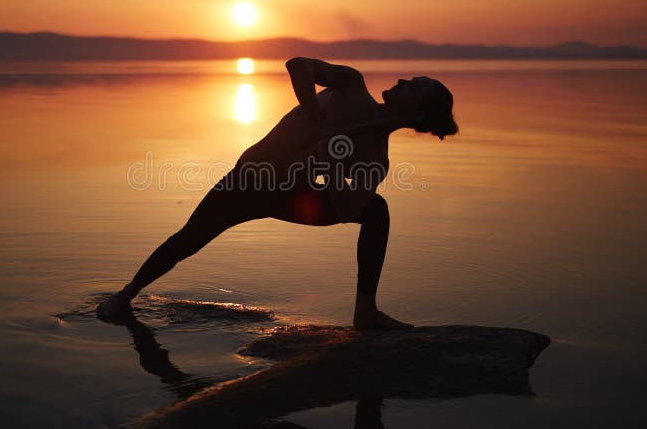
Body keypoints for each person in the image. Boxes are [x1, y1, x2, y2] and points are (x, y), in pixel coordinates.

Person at [97, 57, 458, 329]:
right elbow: (298, 65)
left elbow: (348, 207)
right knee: (188, 240)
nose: (402, 80)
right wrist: (317, 120)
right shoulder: (350, 84)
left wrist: (330, 164)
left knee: (376, 209)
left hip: (294, 198)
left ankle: (365, 311)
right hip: (249, 181)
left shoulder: (376, 158)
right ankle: (127, 294)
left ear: (419, 113)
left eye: (414, 86)